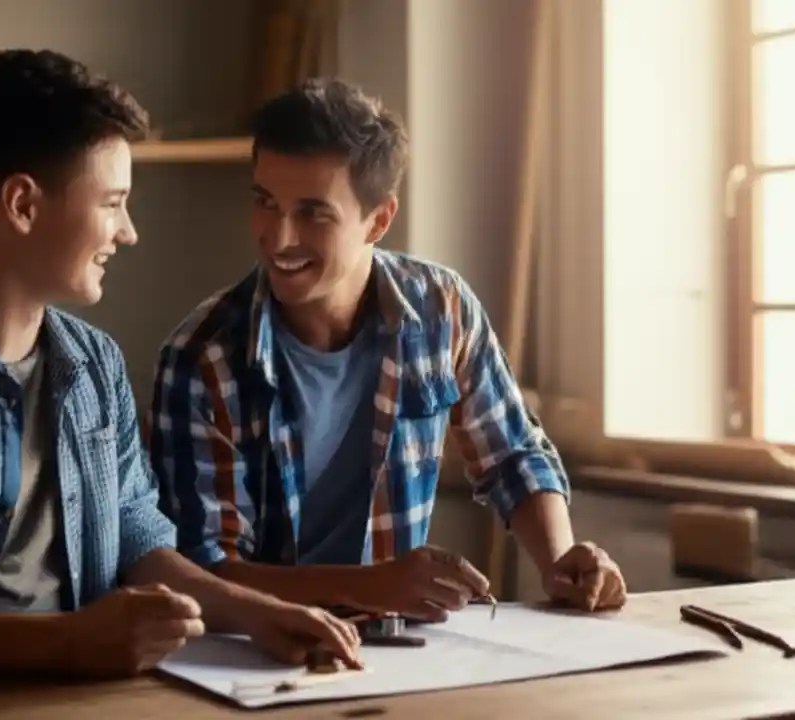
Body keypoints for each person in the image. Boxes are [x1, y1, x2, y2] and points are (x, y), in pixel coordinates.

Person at [0, 50, 359, 677]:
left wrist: (254, 612)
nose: (128, 231)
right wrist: (69, 643)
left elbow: (138, 538)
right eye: (111, 203)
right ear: (23, 205)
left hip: (88, 695)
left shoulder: (95, 363)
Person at [151, 78, 627, 622]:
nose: (278, 237)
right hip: (253, 655)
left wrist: (563, 561)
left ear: (379, 220)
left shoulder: (442, 308)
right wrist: (368, 587)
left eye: (313, 213)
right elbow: (205, 570)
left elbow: (515, 457)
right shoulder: (202, 356)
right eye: (265, 202)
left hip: (400, 647)